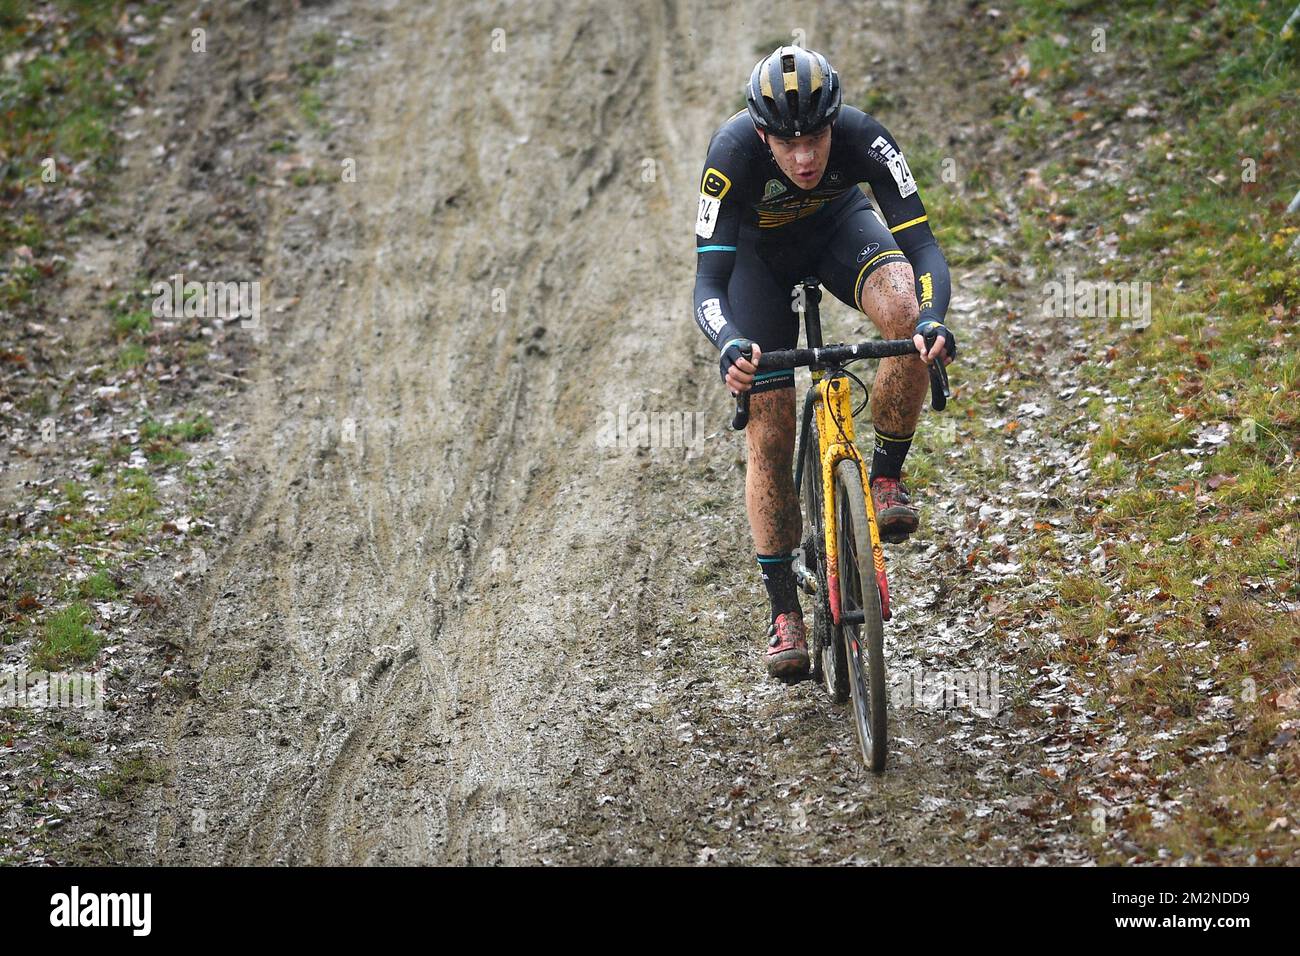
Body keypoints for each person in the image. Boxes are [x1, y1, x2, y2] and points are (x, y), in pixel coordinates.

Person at [692, 46, 956, 679]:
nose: (805, 157)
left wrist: (931, 319)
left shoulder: (867, 139)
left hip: (841, 229)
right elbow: (707, 285)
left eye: (815, 138)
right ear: (762, 135)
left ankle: (886, 476)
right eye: (788, 143)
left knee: (902, 312)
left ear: (834, 123)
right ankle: (784, 610)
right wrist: (729, 341)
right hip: (758, 260)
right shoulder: (729, 157)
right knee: (771, 424)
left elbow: (923, 249)